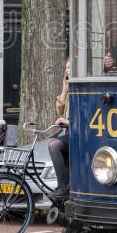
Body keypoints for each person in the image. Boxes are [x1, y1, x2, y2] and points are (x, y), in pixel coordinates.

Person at [48, 59, 70, 199]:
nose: (67, 70)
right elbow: (60, 109)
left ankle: (62, 187)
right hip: (69, 132)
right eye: (66, 67)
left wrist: (67, 122)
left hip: (79, 134)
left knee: (54, 145)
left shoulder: (81, 90)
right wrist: (64, 89)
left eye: (70, 68)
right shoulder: (70, 89)